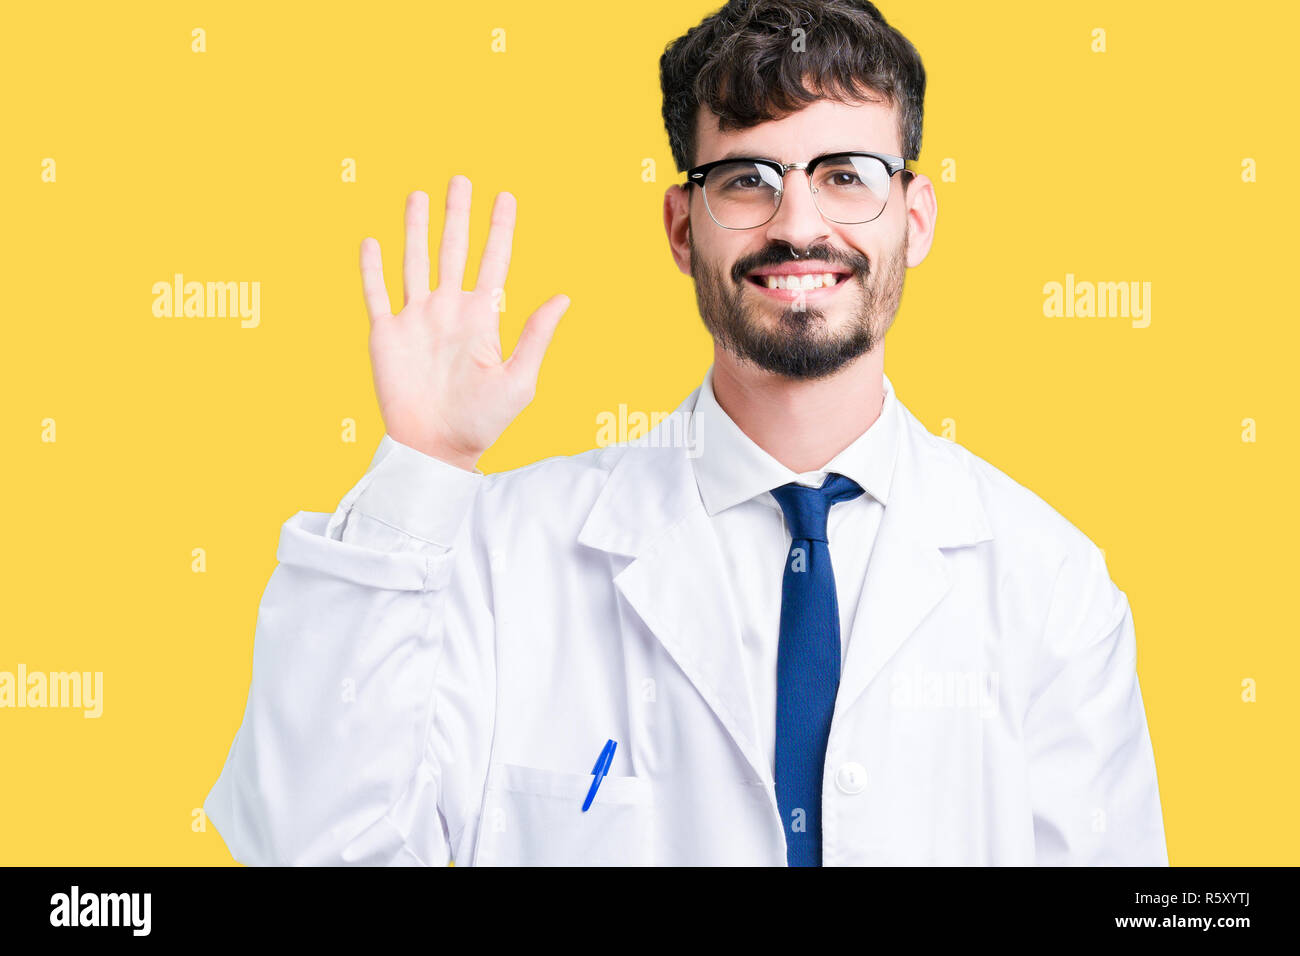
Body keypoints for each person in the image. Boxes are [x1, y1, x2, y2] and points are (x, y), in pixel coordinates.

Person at [205, 0, 1167, 866]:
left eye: (846, 176)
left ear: (913, 220)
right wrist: (423, 468)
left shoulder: (1052, 586)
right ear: (681, 226)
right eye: (747, 178)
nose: (798, 225)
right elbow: (307, 844)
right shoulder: (505, 556)